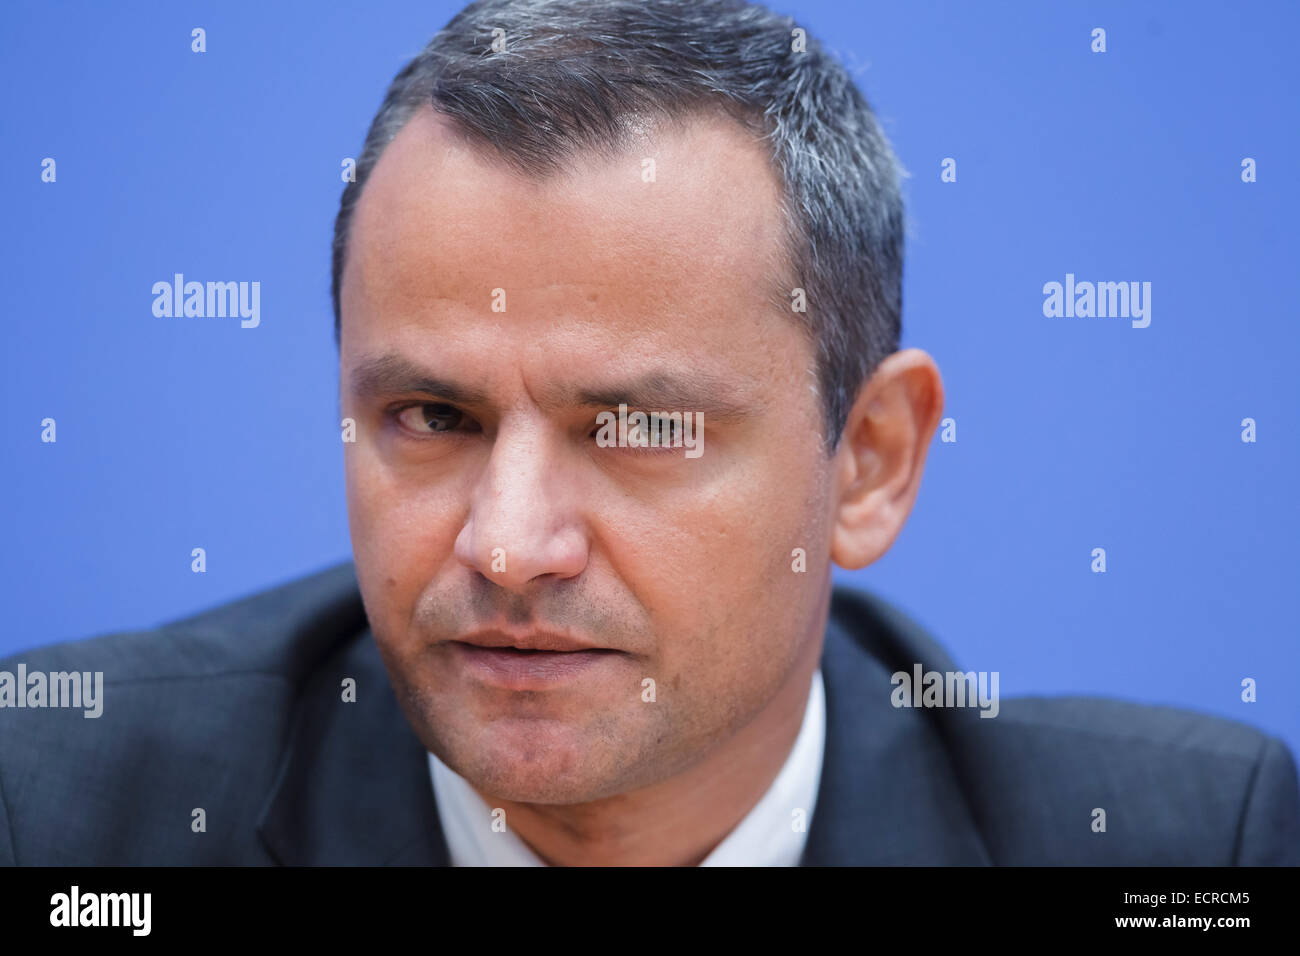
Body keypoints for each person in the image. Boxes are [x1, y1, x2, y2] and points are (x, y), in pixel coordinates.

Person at [2, 0, 1296, 866]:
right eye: (433, 417)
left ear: (871, 460)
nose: (508, 548)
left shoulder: (1177, 847)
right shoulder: (64, 813)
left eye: (638, 427)